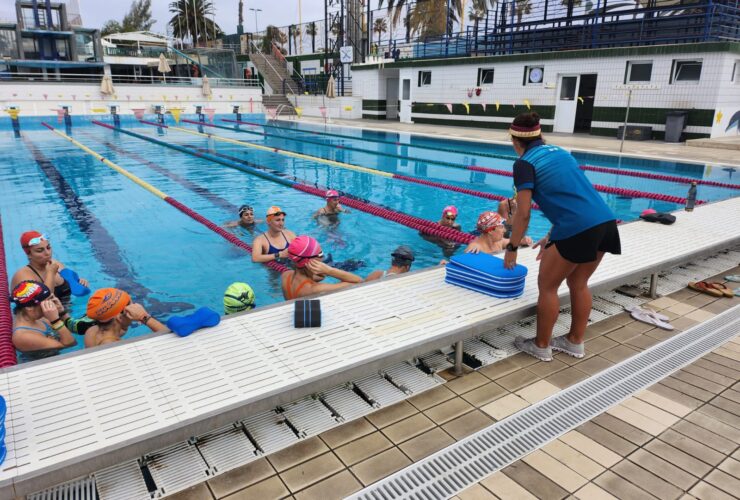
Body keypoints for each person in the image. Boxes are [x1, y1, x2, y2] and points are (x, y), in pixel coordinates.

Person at [504, 112, 621, 362]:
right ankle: (574, 342)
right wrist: (551, 235)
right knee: (579, 284)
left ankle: (541, 345)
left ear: (514, 140)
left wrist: (512, 247)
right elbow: (573, 196)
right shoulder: (559, 152)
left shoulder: (524, 164)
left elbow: (523, 214)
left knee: (548, 287)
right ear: (540, 135)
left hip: (576, 228)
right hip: (605, 222)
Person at [11, 231, 89, 304]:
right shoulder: (23, 276)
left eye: (48, 247)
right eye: (40, 250)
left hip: (66, 312)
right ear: (29, 254)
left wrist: (80, 282)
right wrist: (51, 273)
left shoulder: (56, 264)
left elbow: (72, 283)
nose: (47, 253)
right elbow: (41, 304)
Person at [11, 280, 76, 362]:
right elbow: (70, 343)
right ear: (29, 307)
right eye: (47, 301)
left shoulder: (37, 316)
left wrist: (61, 312)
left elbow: (67, 331)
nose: (51, 304)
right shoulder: (23, 336)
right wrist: (55, 321)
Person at [281, 235, 363, 300]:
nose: (323, 257)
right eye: (320, 254)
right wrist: (329, 271)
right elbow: (359, 282)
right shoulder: (316, 289)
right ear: (310, 261)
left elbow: (304, 280)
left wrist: (319, 274)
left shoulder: (285, 275)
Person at [84, 288, 166, 347]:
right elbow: (169, 338)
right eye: (131, 306)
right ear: (119, 317)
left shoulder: (91, 331)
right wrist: (144, 317)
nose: (135, 307)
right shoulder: (117, 346)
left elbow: (120, 329)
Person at [466, 212, 532, 255]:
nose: (505, 230)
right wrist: (472, 250)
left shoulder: (499, 242)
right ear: (490, 231)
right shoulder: (476, 247)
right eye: (501, 227)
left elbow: (514, 242)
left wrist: (523, 240)